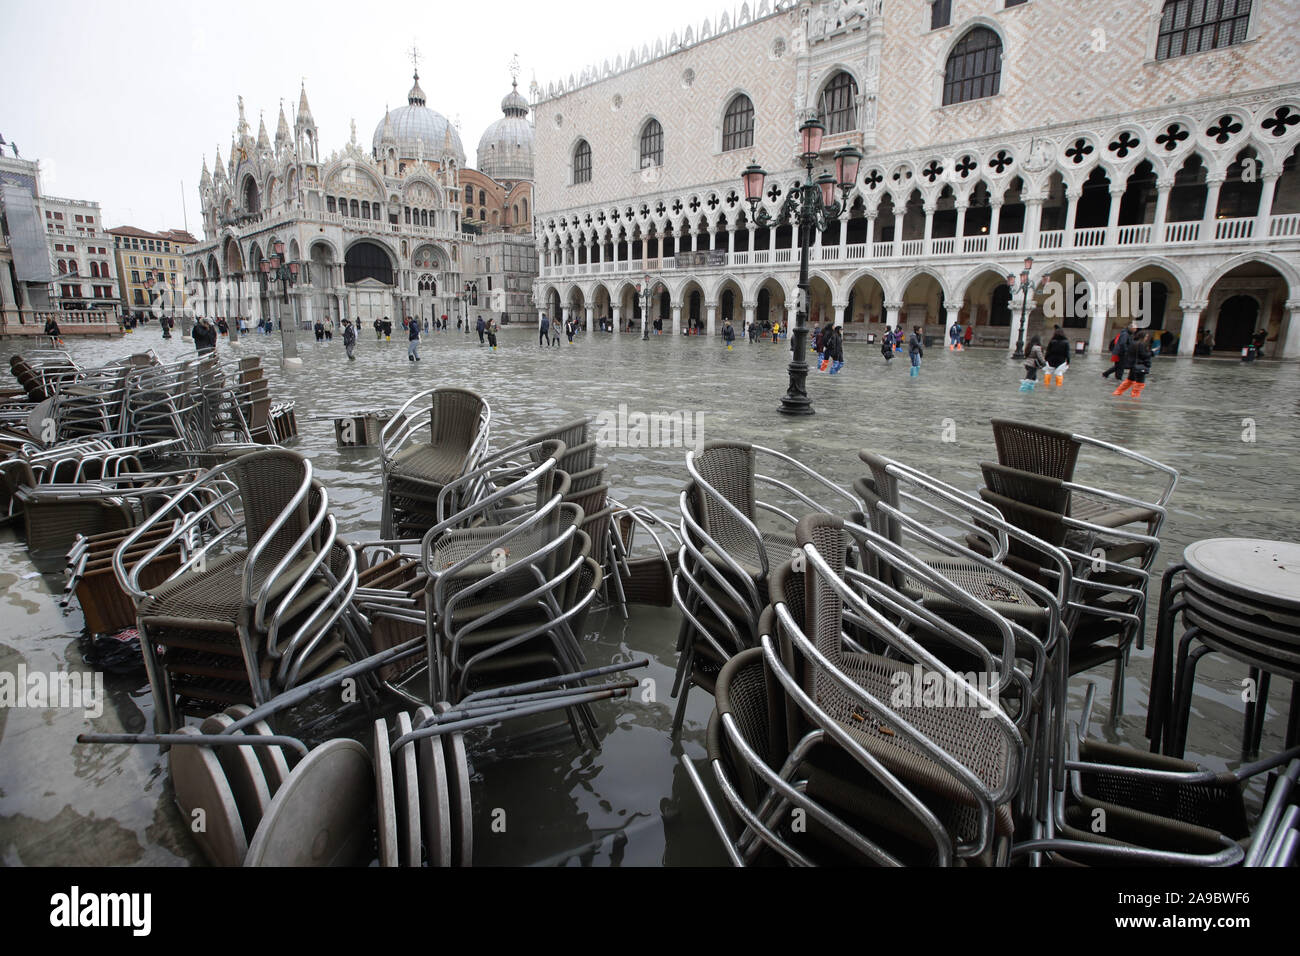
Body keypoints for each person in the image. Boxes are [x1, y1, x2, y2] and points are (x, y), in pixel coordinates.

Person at [1115, 330, 1152, 398]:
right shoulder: (1142, 344)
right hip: (1141, 366)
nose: (1147, 338)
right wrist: (1151, 353)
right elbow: (1144, 355)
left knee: (1129, 381)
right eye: (1146, 336)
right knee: (1139, 383)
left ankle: (1117, 392)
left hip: (1133, 366)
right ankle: (1135, 398)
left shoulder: (1133, 343)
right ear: (1143, 336)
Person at [1111, 322, 1139, 394]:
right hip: (1121, 353)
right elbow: (1123, 344)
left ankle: (1106, 374)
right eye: (1135, 328)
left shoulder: (1128, 334)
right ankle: (1118, 380)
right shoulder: (1125, 334)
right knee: (1120, 366)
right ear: (1131, 328)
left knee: (1119, 366)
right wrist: (1126, 351)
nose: (1136, 330)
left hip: (1122, 352)